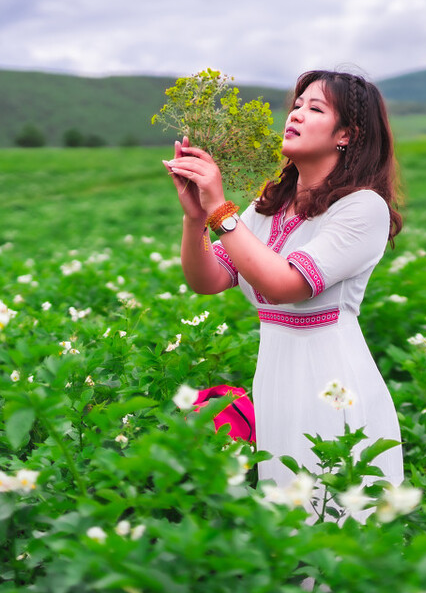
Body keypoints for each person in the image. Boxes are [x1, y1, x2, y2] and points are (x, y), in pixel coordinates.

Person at [163, 69, 405, 500]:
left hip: (333, 381)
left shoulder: (363, 208)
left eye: (315, 108)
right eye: (296, 105)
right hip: (275, 379)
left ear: (345, 135)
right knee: (288, 519)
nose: (295, 114)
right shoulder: (267, 207)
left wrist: (219, 208)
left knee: (334, 514)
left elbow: (285, 285)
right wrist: (196, 217)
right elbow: (207, 279)